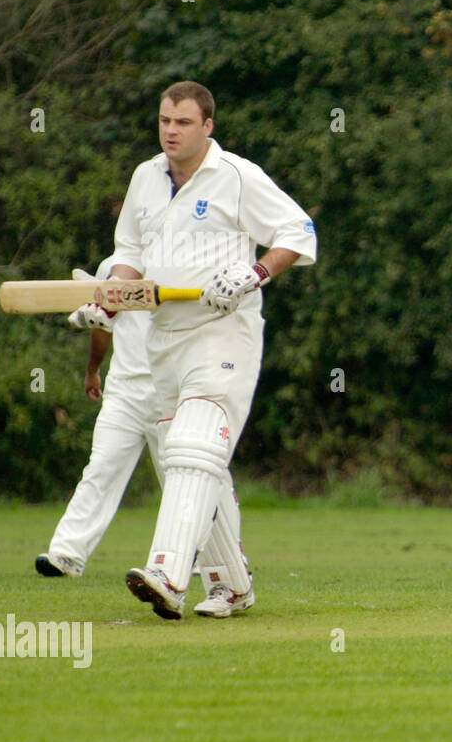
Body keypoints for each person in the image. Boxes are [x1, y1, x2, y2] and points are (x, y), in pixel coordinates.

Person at [70, 81, 316, 619]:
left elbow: (299, 230)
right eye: (164, 121)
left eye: (182, 122)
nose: (171, 131)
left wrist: (254, 273)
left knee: (194, 440)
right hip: (162, 339)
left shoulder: (236, 176)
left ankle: (168, 574)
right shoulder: (145, 178)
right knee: (196, 460)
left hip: (222, 330)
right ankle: (231, 583)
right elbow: (131, 254)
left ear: (207, 127)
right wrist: (108, 303)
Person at [41, 261, 247, 594]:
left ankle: (210, 560)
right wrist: (93, 369)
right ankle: (66, 554)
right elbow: (101, 324)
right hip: (124, 389)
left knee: (190, 476)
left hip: (172, 387)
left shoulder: (189, 259)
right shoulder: (115, 264)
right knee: (102, 468)